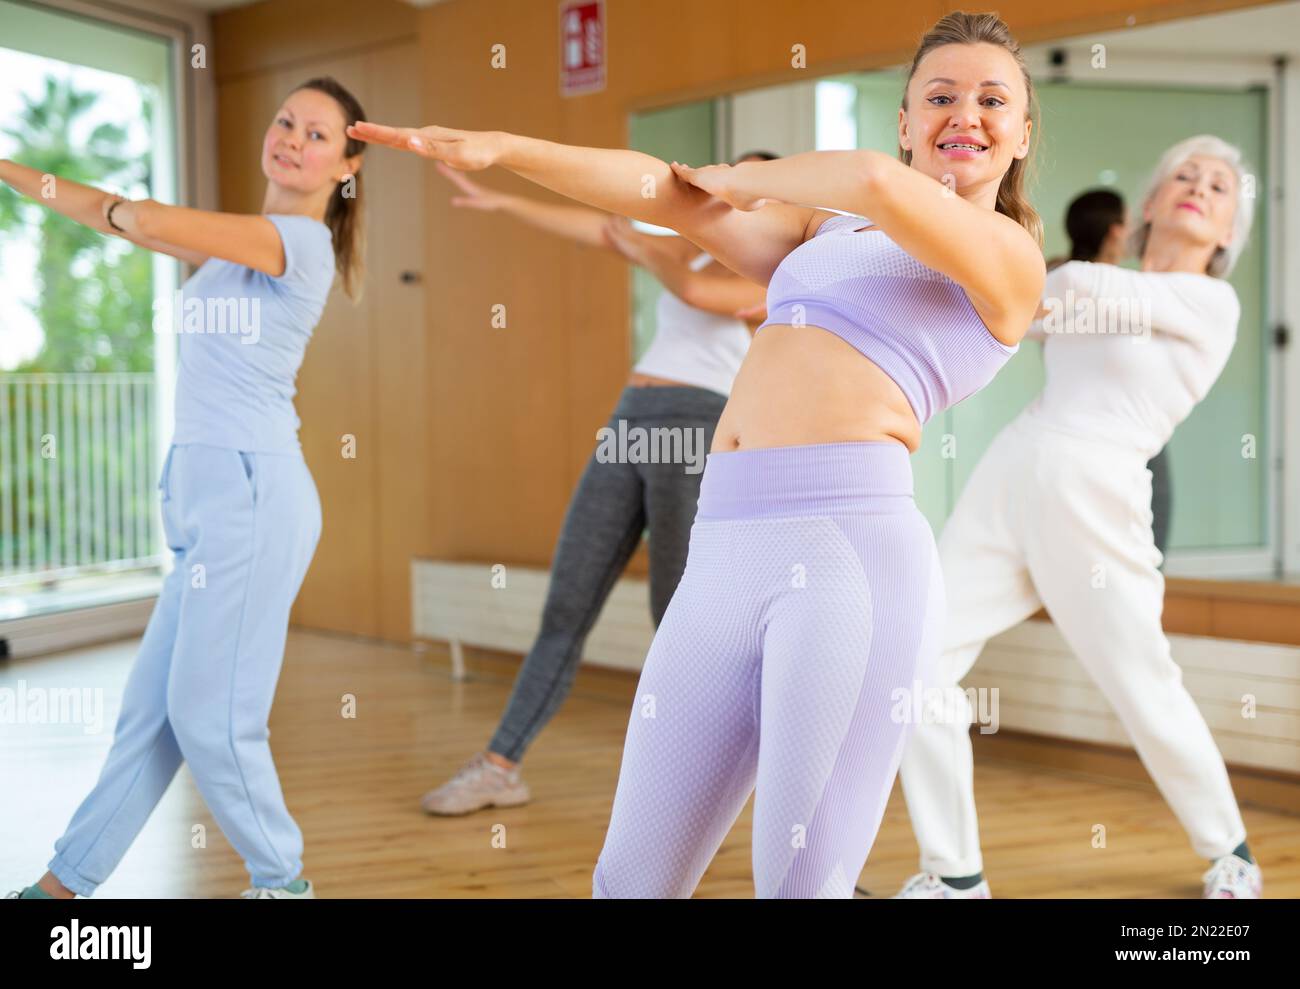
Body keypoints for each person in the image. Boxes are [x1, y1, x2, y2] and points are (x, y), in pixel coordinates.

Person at [349, 9, 1044, 897]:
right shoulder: (825, 234)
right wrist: (505, 146)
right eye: (940, 95)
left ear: (1022, 133)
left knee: (797, 883)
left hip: (850, 557)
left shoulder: (1009, 258)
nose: (966, 114)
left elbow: (871, 179)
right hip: (723, 547)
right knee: (631, 878)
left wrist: (739, 176)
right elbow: (660, 194)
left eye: (993, 100)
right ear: (908, 118)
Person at [3, 76, 366, 900]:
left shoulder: (297, 244)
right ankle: (63, 886)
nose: (292, 138)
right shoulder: (238, 243)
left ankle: (282, 882)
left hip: (253, 495)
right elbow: (112, 210)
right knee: (153, 716)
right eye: (285, 122)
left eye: (317, 135)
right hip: (205, 501)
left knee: (212, 719)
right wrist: (7, 169)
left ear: (348, 165)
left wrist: (129, 214)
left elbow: (147, 217)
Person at [894, 135, 1260, 899]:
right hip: (1015, 468)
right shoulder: (1089, 279)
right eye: (1183, 175)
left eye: (1219, 186)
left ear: (1227, 232)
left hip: (1100, 492)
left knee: (1144, 685)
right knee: (913, 662)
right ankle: (954, 874)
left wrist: (1011, 267)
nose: (1198, 186)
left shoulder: (1209, 304)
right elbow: (1007, 313)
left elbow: (1076, 294)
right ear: (1150, 205)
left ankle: (1231, 851)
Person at [417, 156, 772, 815]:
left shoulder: (768, 269)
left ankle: (703, 781)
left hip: (697, 430)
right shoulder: (686, 250)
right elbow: (601, 228)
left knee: (675, 618)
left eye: (750, 186)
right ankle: (500, 764)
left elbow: (697, 295)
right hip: (629, 421)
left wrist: (647, 244)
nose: (730, 194)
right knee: (567, 602)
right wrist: (505, 204)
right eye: (730, 182)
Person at [1047, 189, 1173, 560]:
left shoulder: (1061, 276)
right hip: (1122, 424)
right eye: (1129, 220)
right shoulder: (1112, 288)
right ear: (1117, 231)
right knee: (1146, 533)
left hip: (1077, 422)